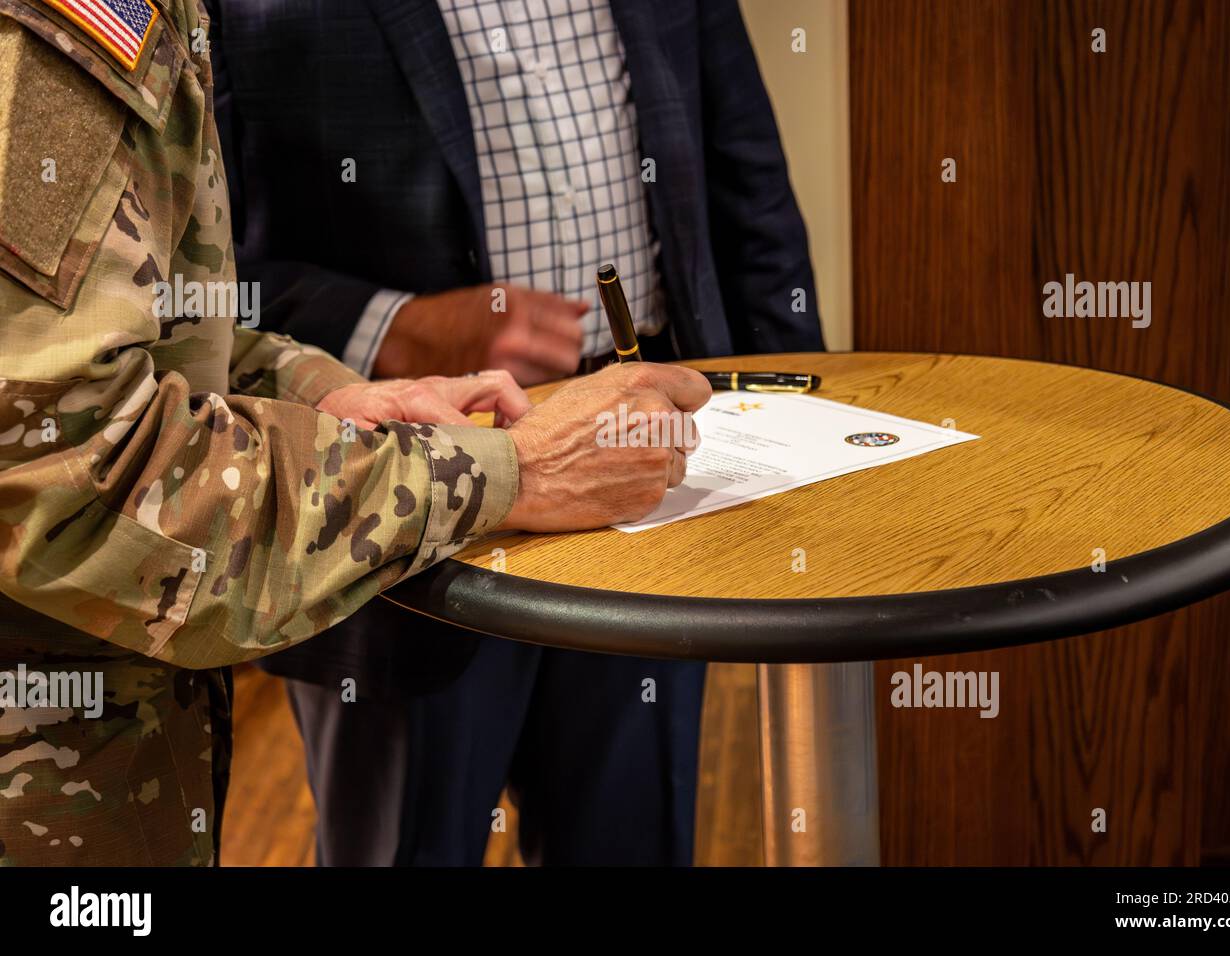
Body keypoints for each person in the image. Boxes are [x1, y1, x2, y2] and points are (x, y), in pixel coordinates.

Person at [0, 0, 708, 866]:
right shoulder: (46, 35)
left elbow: (149, 323)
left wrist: (319, 391)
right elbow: (71, 469)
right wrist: (510, 469)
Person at [209, 0, 824, 865]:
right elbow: (199, 275)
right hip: (398, 513)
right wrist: (398, 327)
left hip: (650, 483)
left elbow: (747, 181)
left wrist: (808, 436)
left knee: (631, 841)